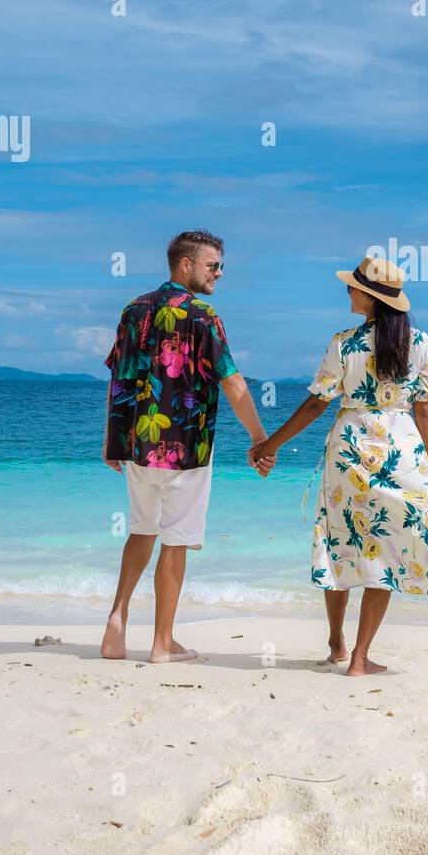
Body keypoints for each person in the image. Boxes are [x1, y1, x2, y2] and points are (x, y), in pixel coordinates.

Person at [251, 255, 428, 676]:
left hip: (350, 448)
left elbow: (317, 403)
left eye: (353, 287)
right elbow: (424, 410)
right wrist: (425, 464)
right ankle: (358, 657)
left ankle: (336, 641)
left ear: (369, 298)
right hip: (401, 450)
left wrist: (270, 443)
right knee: (385, 550)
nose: (348, 292)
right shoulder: (421, 342)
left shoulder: (344, 342)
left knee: (342, 542)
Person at [100, 230, 273, 663]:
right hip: (186, 447)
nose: (219, 273)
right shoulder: (202, 315)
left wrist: (112, 441)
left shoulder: (133, 309)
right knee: (174, 541)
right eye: (213, 265)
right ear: (186, 265)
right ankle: (162, 644)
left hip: (139, 444)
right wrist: (258, 438)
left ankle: (116, 622)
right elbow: (232, 382)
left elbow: (118, 379)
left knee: (142, 529)